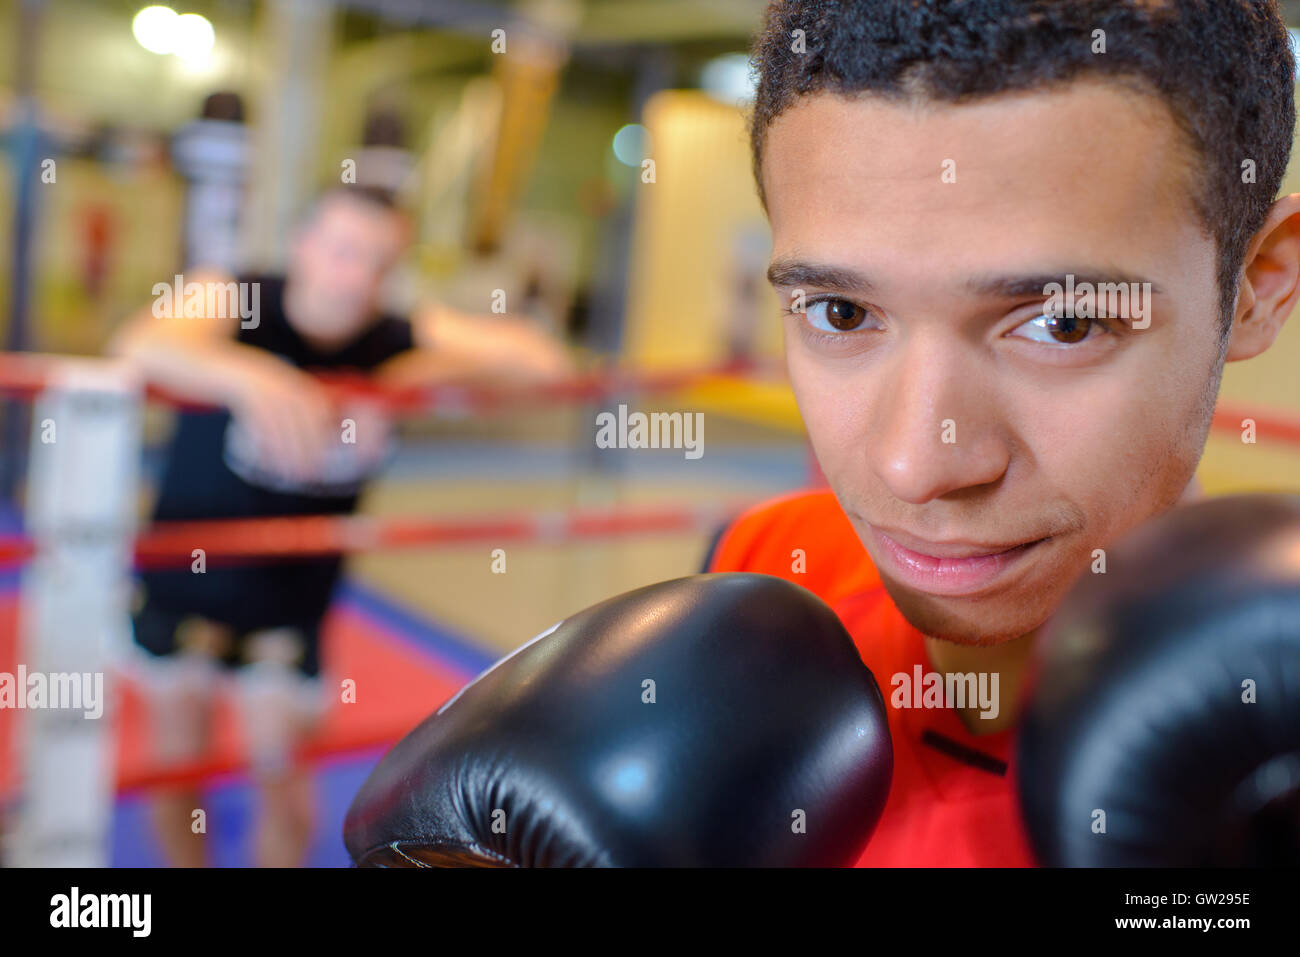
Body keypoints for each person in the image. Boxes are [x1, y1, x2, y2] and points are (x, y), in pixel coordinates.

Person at [698, 0, 1299, 864]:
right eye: (842, 311)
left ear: (1258, 286)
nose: (916, 464)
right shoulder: (777, 575)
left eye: (1061, 324)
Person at [109, 183, 572, 867]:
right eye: (343, 251)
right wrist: (252, 376)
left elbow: (545, 360)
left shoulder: (390, 336)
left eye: (380, 262)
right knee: (178, 772)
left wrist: (408, 378)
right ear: (303, 244)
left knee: (287, 786)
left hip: (291, 604)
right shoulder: (238, 296)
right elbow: (139, 344)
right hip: (184, 585)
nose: (357, 277)